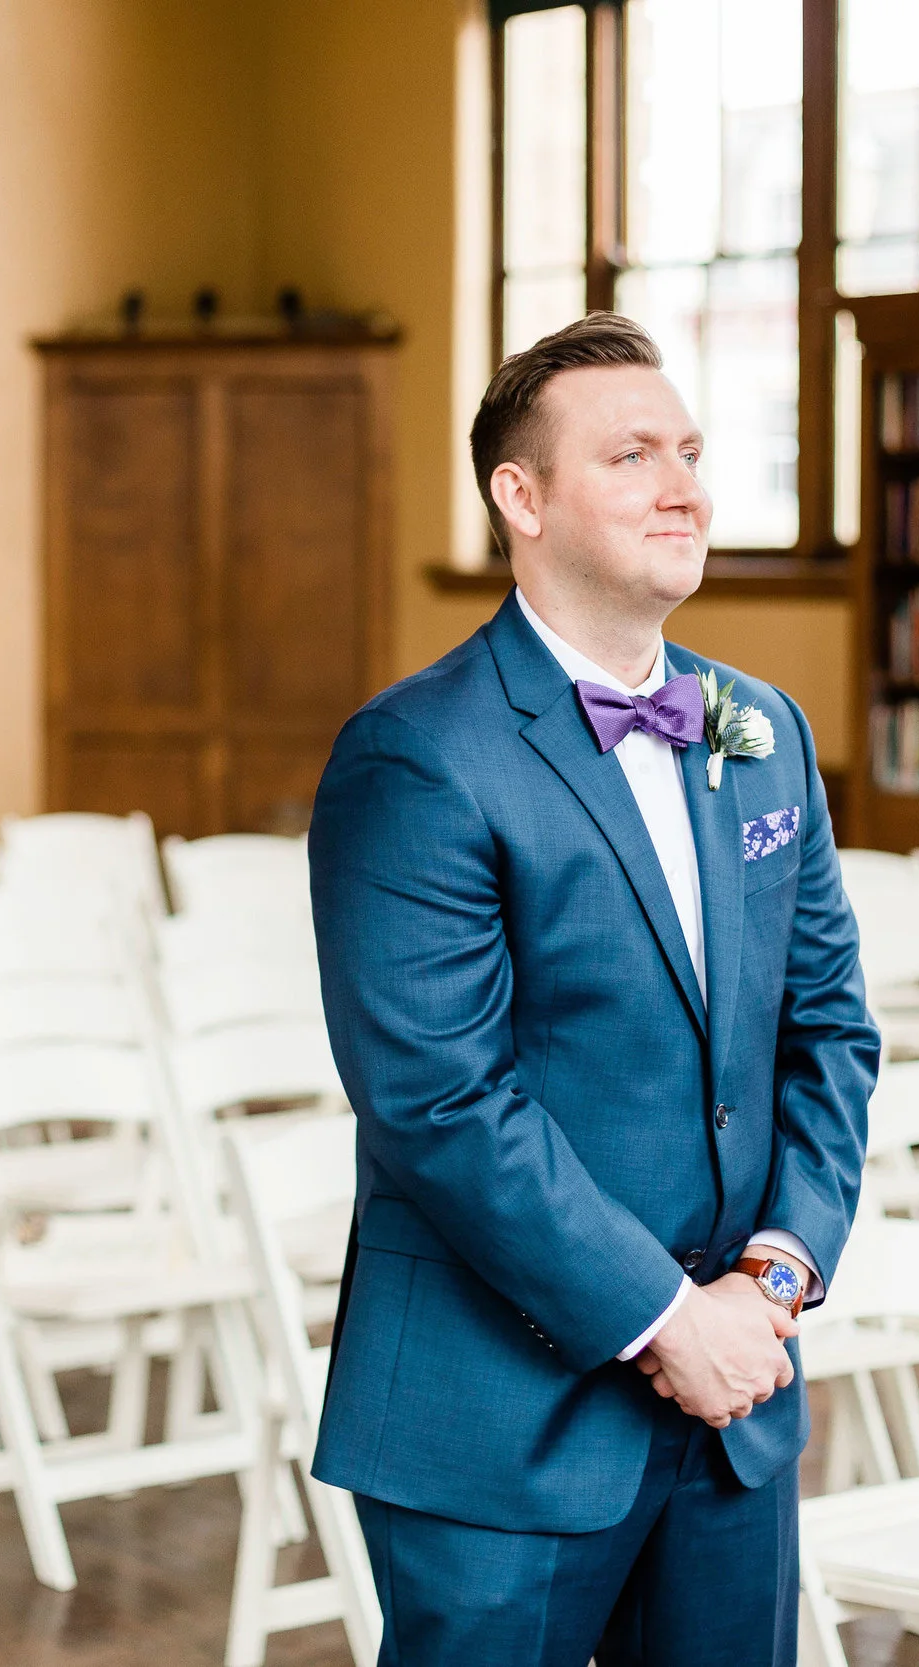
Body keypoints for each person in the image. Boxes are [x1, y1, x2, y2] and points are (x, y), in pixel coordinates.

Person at [308, 313, 878, 1664]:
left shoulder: (762, 729)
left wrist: (771, 1280)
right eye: (631, 455)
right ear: (522, 497)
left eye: (689, 450)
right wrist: (669, 1317)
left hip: (734, 1399)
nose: (684, 485)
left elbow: (830, 1029)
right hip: (502, 1413)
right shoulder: (417, 752)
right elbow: (442, 1098)